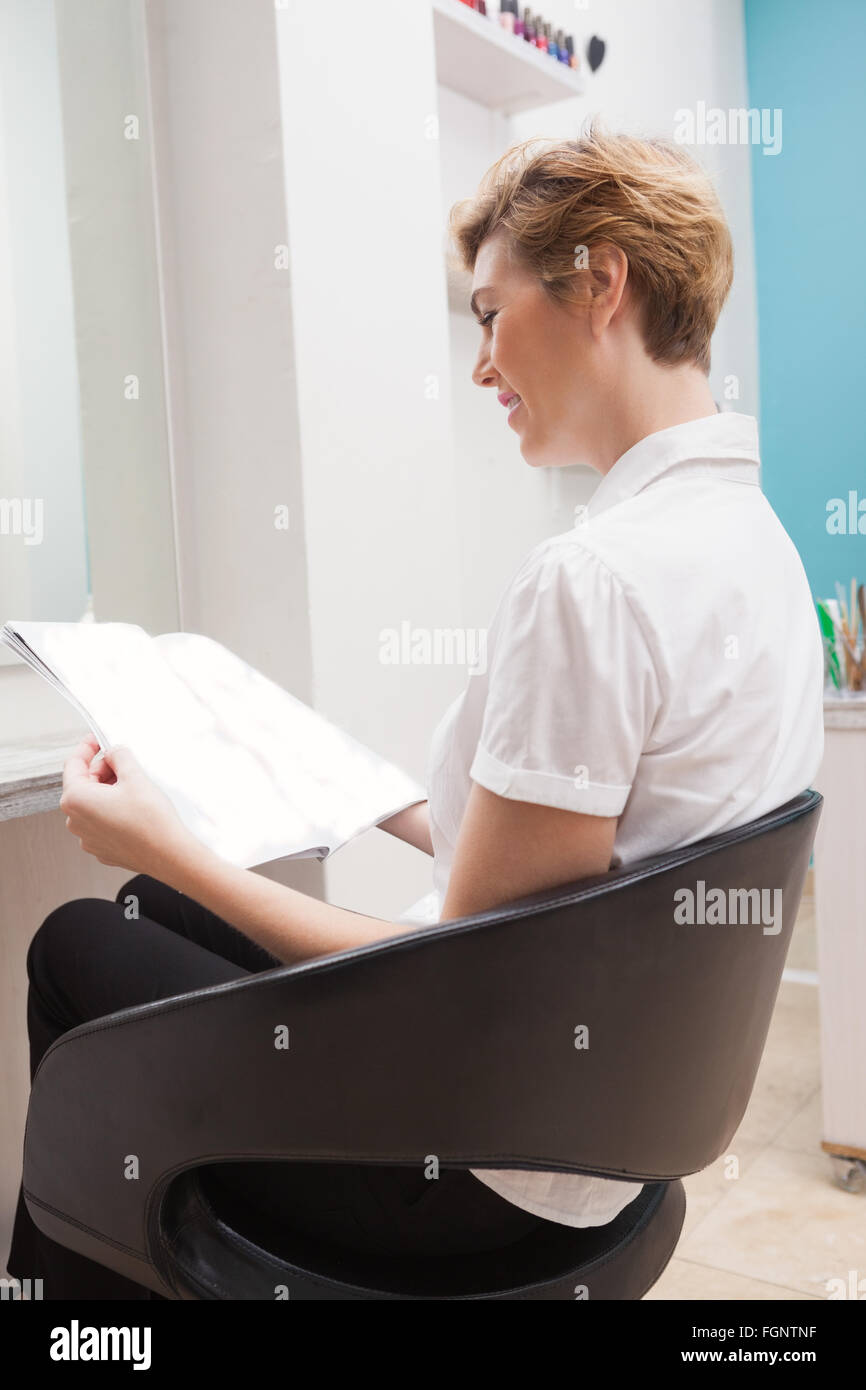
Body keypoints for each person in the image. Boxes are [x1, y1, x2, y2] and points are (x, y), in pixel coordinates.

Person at [6, 124, 824, 1298]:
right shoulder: (755, 553)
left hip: (470, 1168)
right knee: (148, 909)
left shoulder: (592, 581)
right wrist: (356, 788)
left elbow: (462, 967)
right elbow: (586, 878)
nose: (480, 364)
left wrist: (171, 841)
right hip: (605, 1139)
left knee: (81, 940)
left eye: (488, 315)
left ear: (598, 282)